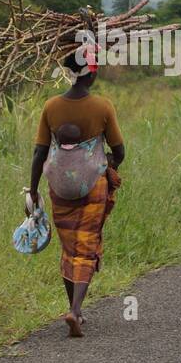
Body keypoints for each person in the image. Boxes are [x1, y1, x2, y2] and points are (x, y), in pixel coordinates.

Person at [28, 45, 125, 337]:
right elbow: (119, 150)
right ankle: (76, 310)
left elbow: (38, 152)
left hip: (59, 186)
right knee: (87, 245)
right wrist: (109, 164)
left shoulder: (51, 106)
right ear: (92, 73)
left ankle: (73, 307)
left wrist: (32, 190)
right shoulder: (103, 106)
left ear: (70, 72)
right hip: (93, 185)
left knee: (69, 246)